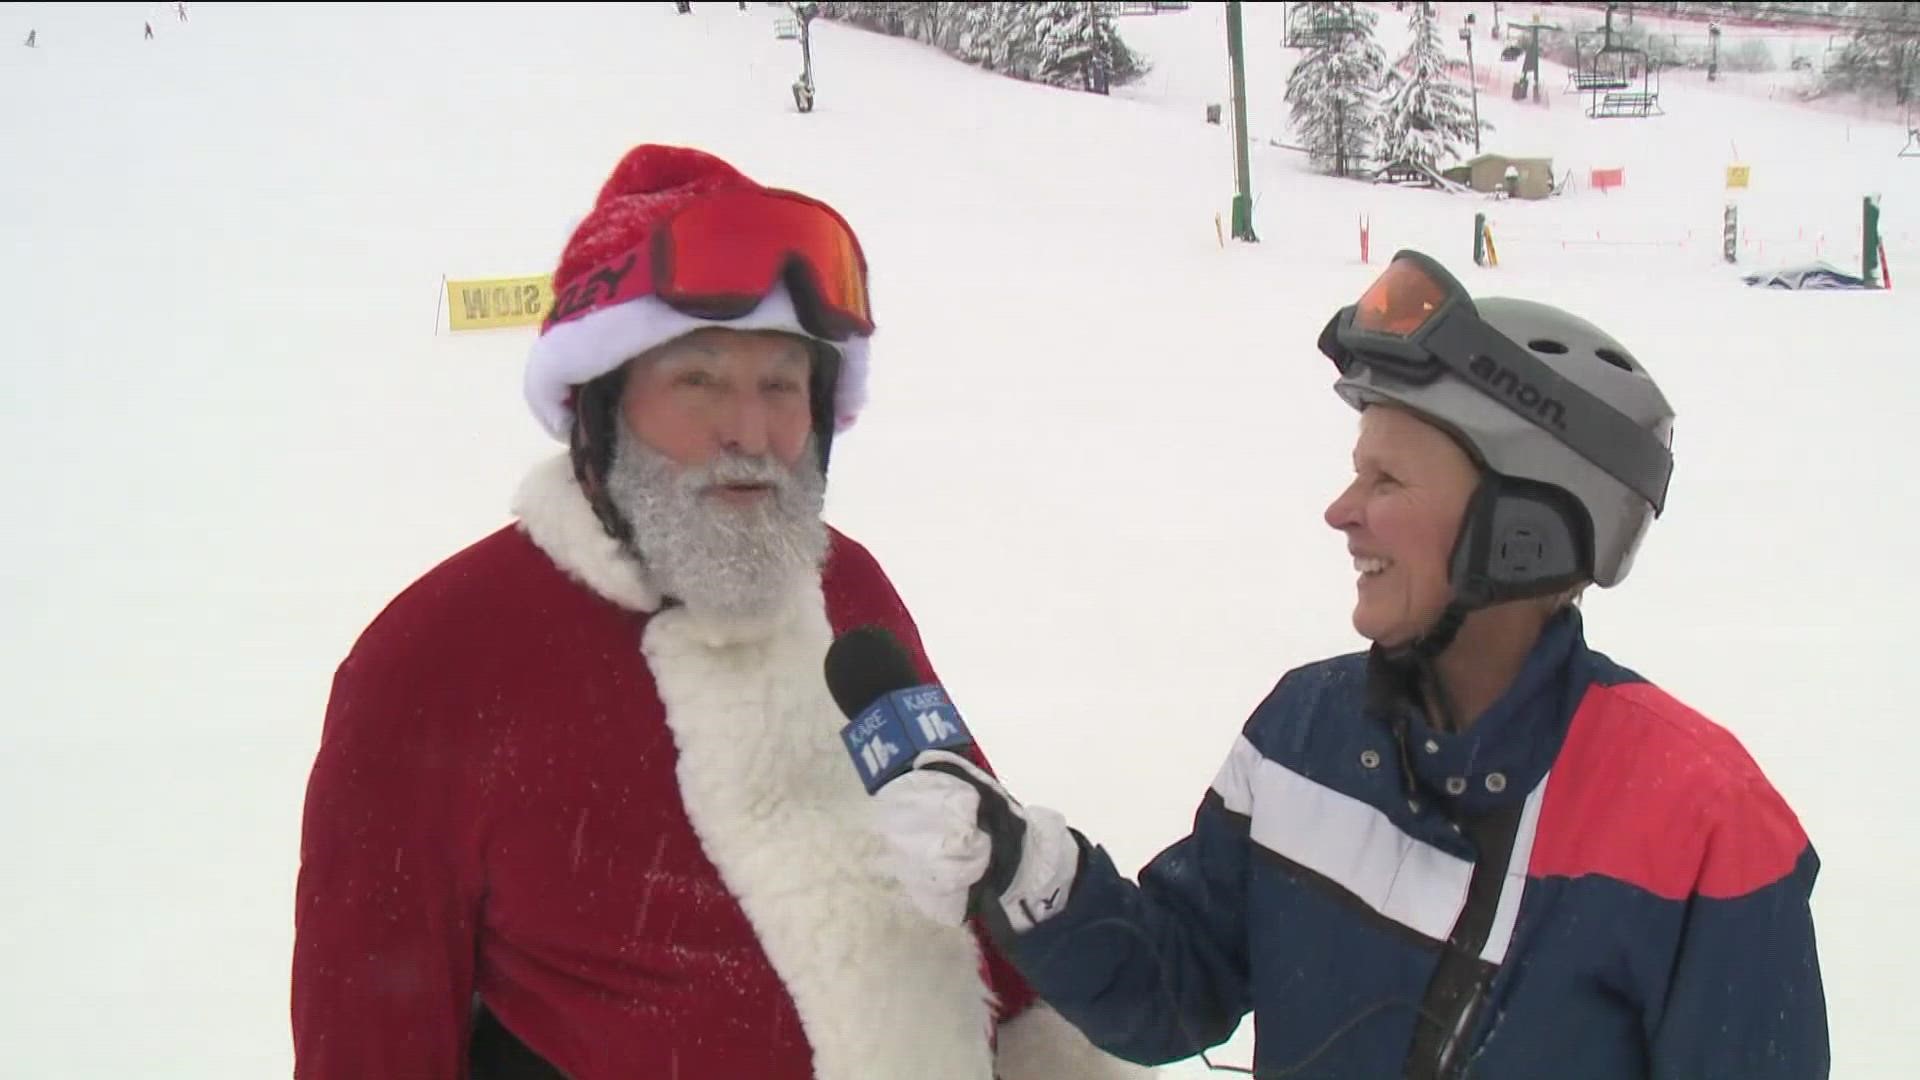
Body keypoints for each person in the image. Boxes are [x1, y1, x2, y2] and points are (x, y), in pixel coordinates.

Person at [290, 143, 1153, 1080]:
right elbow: (369, 1038)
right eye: (698, 381)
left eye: (781, 384)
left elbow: (969, 856)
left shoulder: (847, 585)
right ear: (601, 405)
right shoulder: (436, 660)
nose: (751, 431)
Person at [870, 249, 1829, 1079]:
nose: (1342, 511)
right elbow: (1174, 988)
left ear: (1520, 531)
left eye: (1388, 479)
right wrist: (1030, 871)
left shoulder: (1702, 822)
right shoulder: (1306, 730)